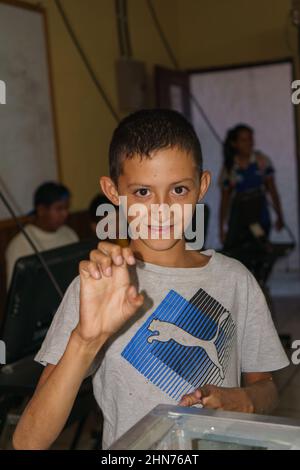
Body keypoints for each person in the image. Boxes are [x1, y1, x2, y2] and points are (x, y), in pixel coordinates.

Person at [13, 110, 289, 450]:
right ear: (113, 192)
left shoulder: (235, 280)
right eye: (142, 192)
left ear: (201, 186)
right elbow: (28, 441)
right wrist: (86, 340)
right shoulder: (99, 289)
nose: (162, 209)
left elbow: (267, 388)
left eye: (178, 190)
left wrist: (244, 399)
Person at [219, 124, 285, 249]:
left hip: (259, 210)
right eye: (243, 140)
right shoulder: (230, 167)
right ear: (234, 144)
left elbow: (273, 191)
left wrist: (280, 216)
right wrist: (222, 227)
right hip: (239, 213)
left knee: (259, 244)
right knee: (237, 250)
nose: (249, 143)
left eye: (250, 139)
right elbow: (225, 199)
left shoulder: (261, 161)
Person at [5, 181, 79, 287]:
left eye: (67, 208)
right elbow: (16, 292)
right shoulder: (19, 244)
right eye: (59, 209)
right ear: (41, 210)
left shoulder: (69, 233)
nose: (65, 214)